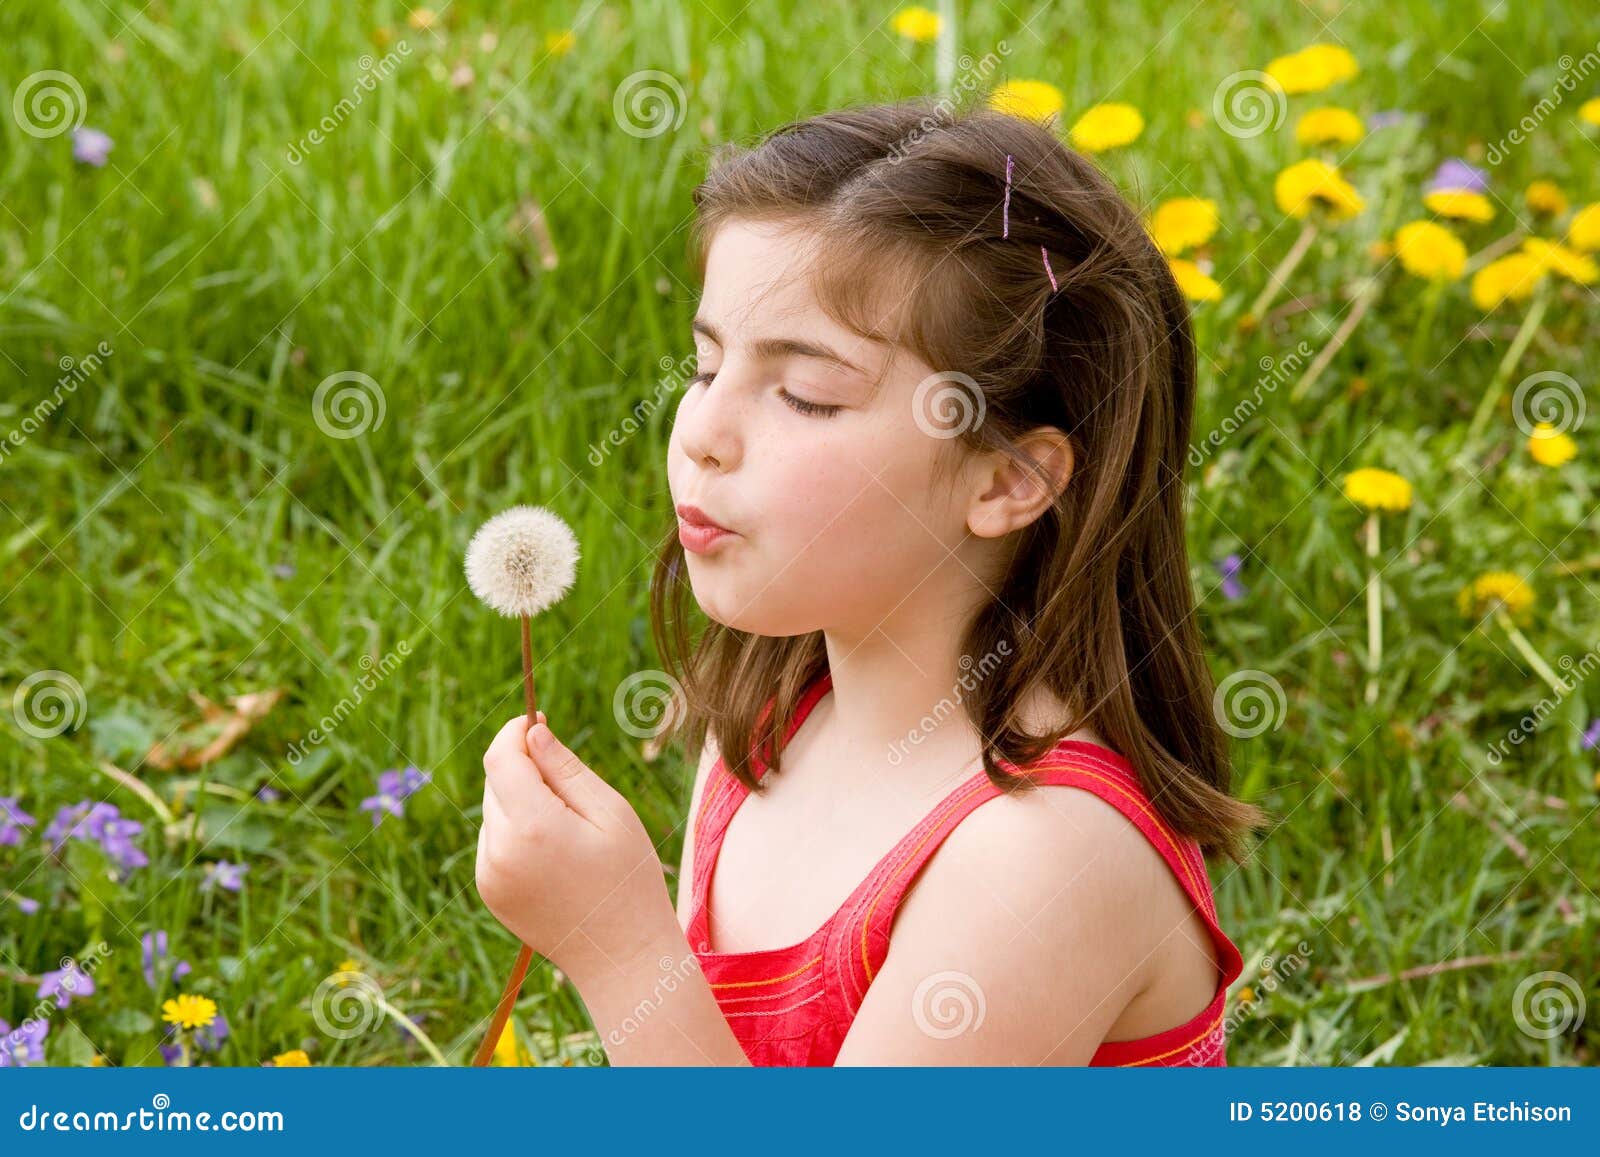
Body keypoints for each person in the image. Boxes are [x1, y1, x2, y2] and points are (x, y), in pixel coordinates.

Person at [476, 98, 1266, 1065]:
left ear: (1009, 478)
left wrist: (618, 946)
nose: (702, 434)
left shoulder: (1042, 857)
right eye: (705, 363)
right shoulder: (771, 722)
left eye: (805, 394)